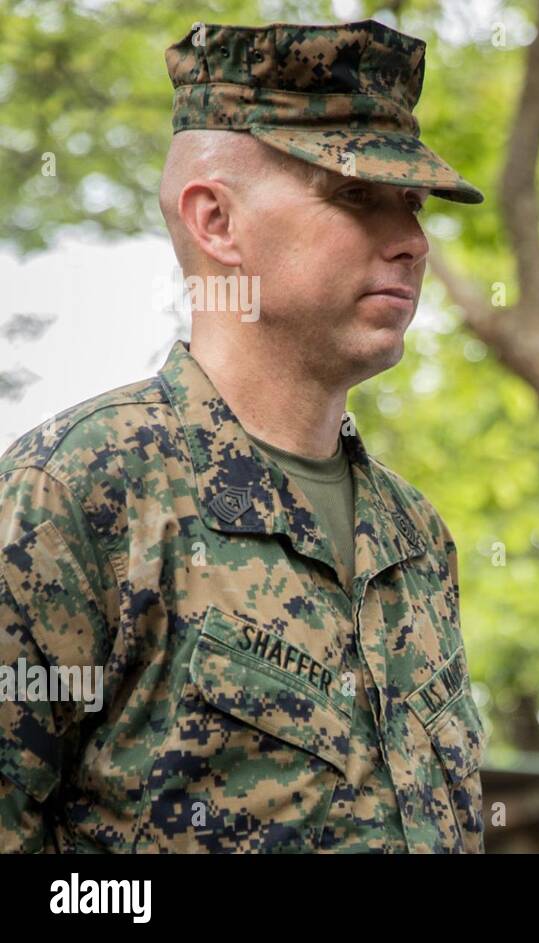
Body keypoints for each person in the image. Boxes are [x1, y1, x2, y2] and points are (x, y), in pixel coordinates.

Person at [0, 20, 487, 852]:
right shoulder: (79, 491)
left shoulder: (414, 536)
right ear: (216, 221)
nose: (412, 241)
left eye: (411, 204)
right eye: (355, 195)